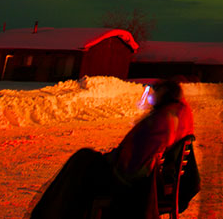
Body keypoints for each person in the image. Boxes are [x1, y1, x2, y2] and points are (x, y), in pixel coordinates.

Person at [30, 79, 195, 219]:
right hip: (133, 172)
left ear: (165, 96)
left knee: (80, 165)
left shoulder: (162, 120)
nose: (152, 97)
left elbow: (135, 167)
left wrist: (110, 162)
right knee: (82, 160)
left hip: (128, 179)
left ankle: (51, 213)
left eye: (156, 93)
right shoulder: (173, 114)